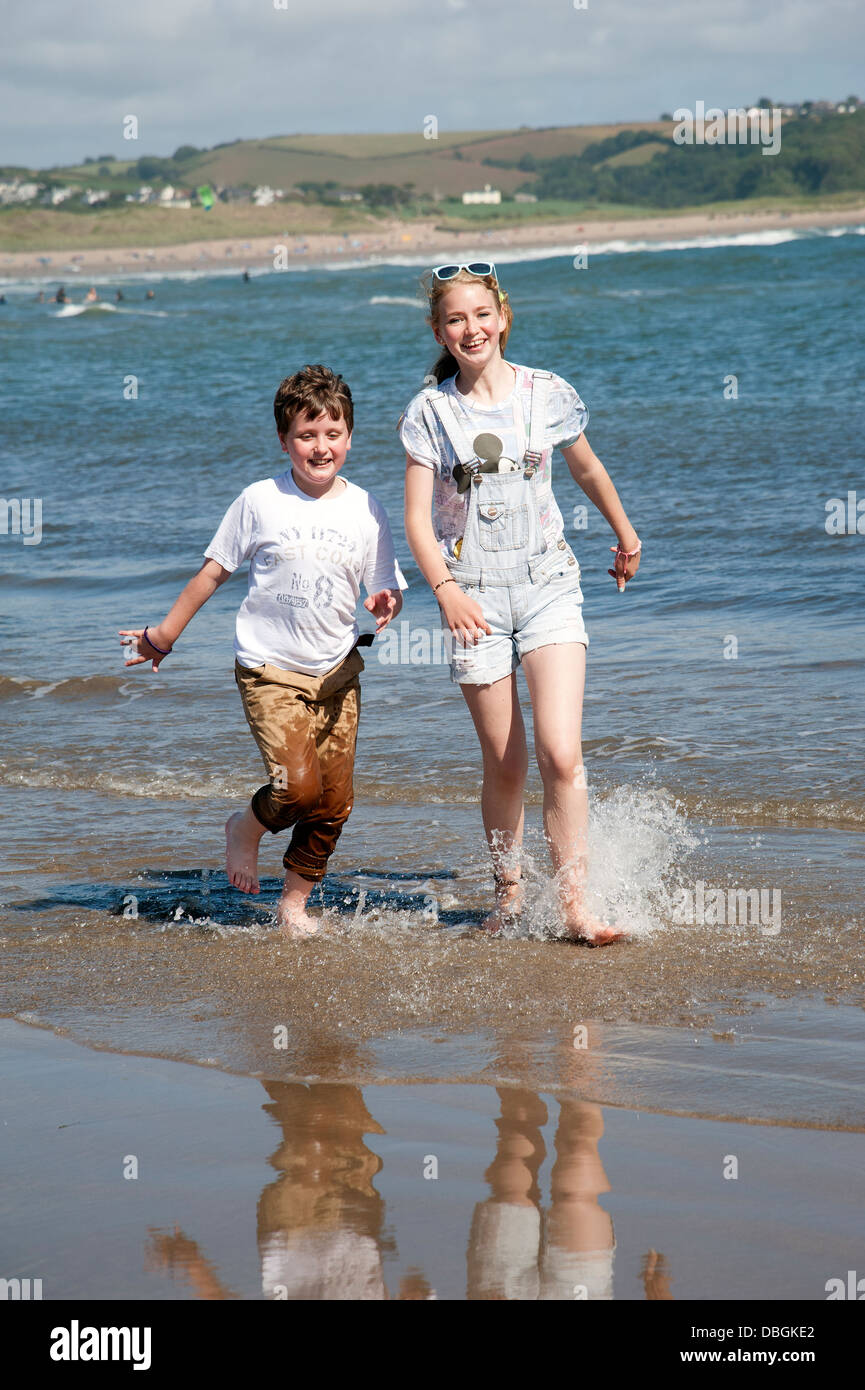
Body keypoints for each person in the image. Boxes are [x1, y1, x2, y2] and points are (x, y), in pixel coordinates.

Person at [400, 263, 641, 945]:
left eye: (481, 315)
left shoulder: (546, 393)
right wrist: (444, 592)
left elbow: (585, 465)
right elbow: (418, 519)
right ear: (438, 331)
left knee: (561, 754)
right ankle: (507, 896)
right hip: (470, 595)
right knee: (504, 764)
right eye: (454, 319)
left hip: (548, 585)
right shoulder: (429, 413)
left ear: (502, 317)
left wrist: (625, 532)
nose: (469, 329)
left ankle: (573, 908)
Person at [120, 364, 405, 936]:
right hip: (269, 670)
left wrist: (386, 603)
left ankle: (293, 904)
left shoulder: (366, 509)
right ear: (285, 440)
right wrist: (164, 637)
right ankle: (245, 828)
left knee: (333, 802)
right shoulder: (260, 500)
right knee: (296, 789)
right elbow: (212, 574)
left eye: (332, 434)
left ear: (349, 437)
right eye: (307, 435)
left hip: (337, 672)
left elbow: (386, 586)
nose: (320, 447)